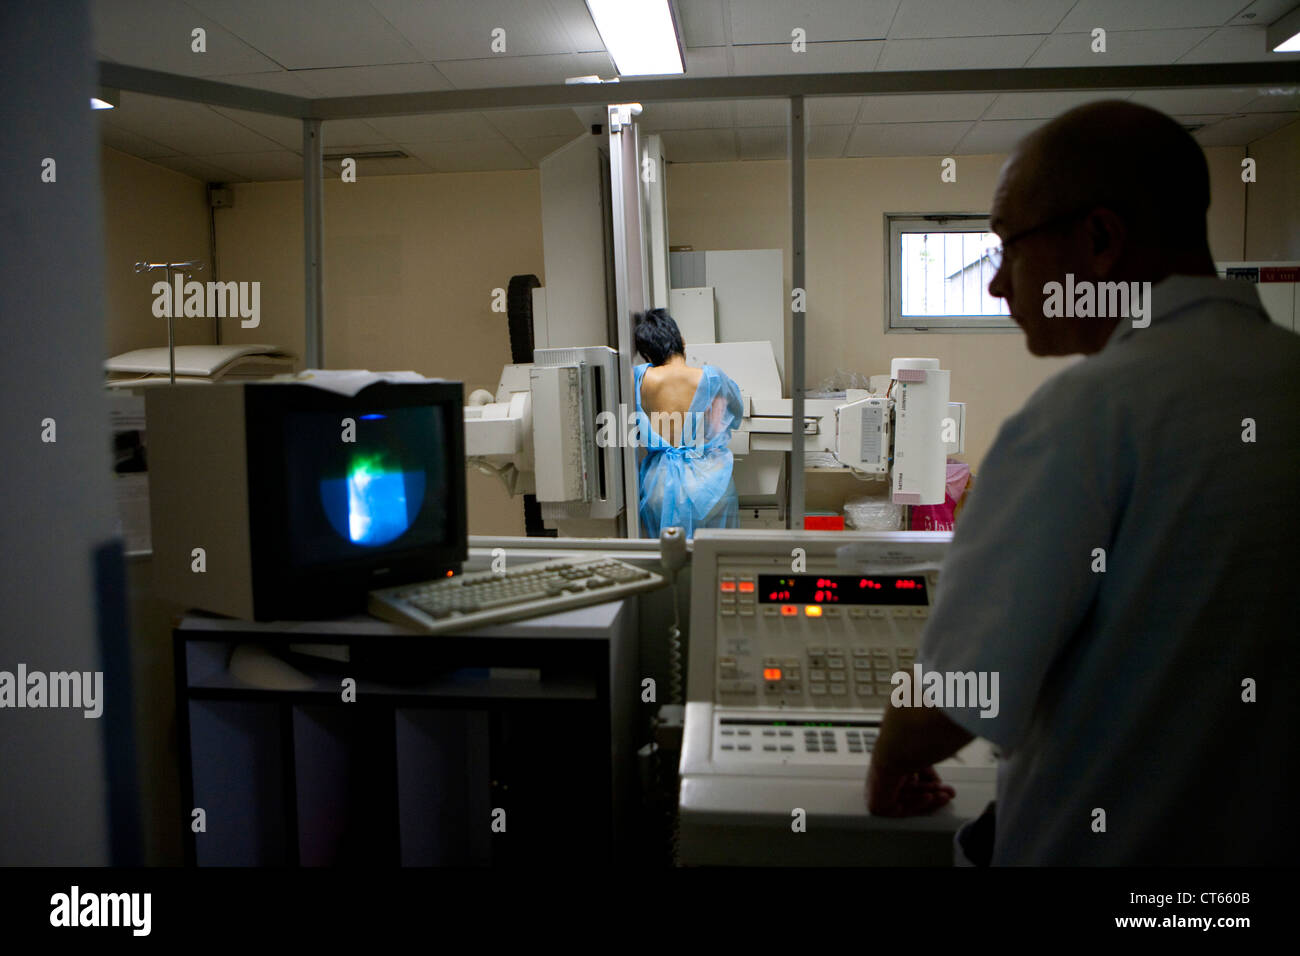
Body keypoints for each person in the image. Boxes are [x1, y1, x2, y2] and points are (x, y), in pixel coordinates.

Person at [865, 100, 1300, 865]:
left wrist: (892, 756)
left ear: (1099, 240)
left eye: (1008, 247)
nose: (999, 285)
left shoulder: (1082, 417)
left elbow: (953, 700)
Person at [633, 309, 744, 538]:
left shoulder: (638, 378)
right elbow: (736, 413)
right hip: (711, 485)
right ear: (681, 341)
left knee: (671, 559)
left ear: (647, 353)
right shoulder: (712, 377)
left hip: (661, 488)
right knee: (715, 557)